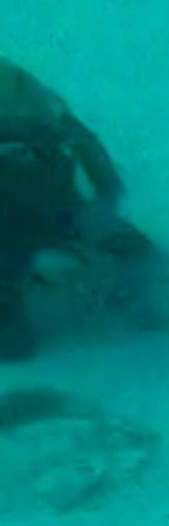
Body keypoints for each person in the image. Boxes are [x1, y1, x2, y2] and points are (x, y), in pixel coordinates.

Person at [0, 56, 150, 359]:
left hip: (54, 207)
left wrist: (103, 199)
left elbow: (77, 137)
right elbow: (79, 138)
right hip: (55, 204)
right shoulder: (19, 88)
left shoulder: (17, 89)